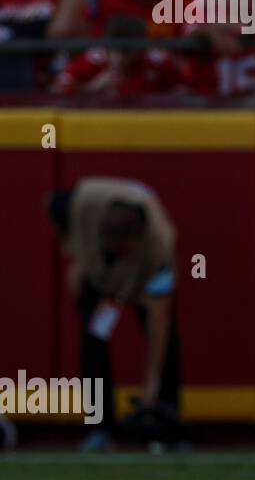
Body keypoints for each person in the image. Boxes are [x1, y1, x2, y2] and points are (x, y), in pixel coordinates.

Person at [46, 177, 183, 450]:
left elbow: (159, 322)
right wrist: (71, 251)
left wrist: (150, 386)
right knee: (92, 342)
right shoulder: (80, 204)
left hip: (139, 278)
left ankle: (166, 425)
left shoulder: (160, 247)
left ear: (135, 243)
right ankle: (99, 426)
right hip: (97, 276)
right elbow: (48, 204)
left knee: (168, 344)